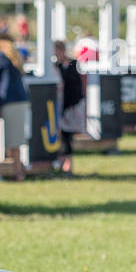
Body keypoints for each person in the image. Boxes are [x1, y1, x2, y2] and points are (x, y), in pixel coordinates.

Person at [0, 33, 30, 181]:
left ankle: (19, 173)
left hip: (10, 101)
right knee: (15, 139)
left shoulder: (2, 57)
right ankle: (19, 169)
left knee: (13, 141)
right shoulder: (15, 57)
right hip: (20, 101)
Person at [53, 40, 84, 175]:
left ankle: (67, 165)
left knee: (67, 136)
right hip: (61, 105)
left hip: (71, 106)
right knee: (62, 136)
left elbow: (76, 86)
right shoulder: (56, 66)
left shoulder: (72, 64)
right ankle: (62, 164)